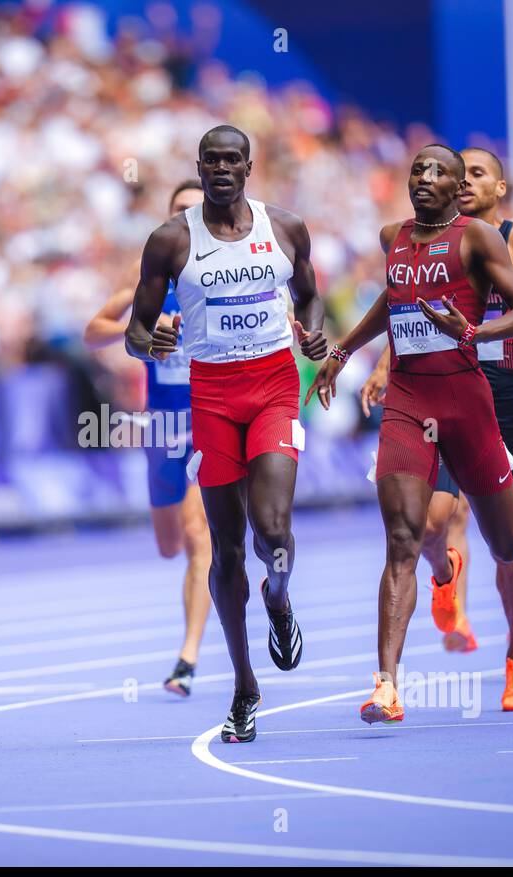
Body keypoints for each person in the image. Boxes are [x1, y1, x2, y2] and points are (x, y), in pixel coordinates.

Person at [307, 144, 513, 721]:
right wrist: (343, 350)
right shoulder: (395, 238)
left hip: (468, 402)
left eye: (440, 173)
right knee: (403, 538)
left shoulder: (478, 239)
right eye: (418, 170)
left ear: (459, 187)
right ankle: (387, 685)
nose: (426, 179)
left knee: (507, 545)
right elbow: (393, 299)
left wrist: (476, 331)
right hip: (409, 402)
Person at [358, 147, 513, 688]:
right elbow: (409, 312)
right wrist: (377, 362)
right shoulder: (416, 238)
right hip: (426, 395)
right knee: (433, 523)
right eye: (449, 174)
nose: (460, 183)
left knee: (506, 540)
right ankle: (443, 576)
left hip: (497, 398)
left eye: (474, 175)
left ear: (497, 188)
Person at [126, 126, 327, 743]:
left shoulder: (286, 228)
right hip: (210, 396)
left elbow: (311, 297)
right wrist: (151, 341)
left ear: (248, 166)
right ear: (198, 166)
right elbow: (135, 330)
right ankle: (244, 685)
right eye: (209, 160)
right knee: (226, 549)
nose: (220, 169)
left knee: (273, 531)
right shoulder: (169, 241)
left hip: (272, 385)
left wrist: (314, 339)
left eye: (230, 160)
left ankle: (280, 597)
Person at [84, 180, 212, 697]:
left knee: (197, 535)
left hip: (209, 420)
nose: (186, 215)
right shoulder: (149, 284)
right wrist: (141, 322)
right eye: (178, 209)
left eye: (195, 209)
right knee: (169, 545)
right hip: (161, 429)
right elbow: (93, 331)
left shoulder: (227, 280)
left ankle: (187, 658)